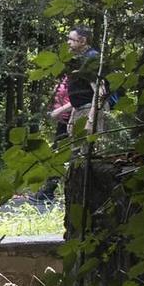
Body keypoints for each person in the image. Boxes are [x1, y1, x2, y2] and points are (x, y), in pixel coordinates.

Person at [37, 25, 105, 205]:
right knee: (74, 154)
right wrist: (73, 115)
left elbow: (99, 92)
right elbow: (80, 94)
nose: (68, 42)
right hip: (80, 109)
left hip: (89, 110)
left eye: (71, 39)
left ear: (83, 41)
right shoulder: (80, 59)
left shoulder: (91, 60)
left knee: (86, 154)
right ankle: (77, 196)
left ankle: (89, 197)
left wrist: (91, 118)